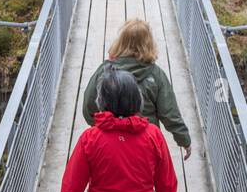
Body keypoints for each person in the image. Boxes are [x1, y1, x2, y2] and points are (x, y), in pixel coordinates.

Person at [82, 19, 192, 158]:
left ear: (121, 41)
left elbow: (89, 106)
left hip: (109, 143)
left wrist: (101, 128)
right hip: (145, 141)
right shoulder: (156, 75)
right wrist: (184, 139)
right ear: (148, 44)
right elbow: (169, 113)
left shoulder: (105, 71)